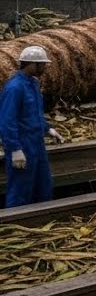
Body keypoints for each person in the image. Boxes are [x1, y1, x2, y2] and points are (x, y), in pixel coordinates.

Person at [0, 46, 65, 208]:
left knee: (43, 185)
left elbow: (34, 113)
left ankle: (41, 218)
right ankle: (16, 222)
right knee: (21, 187)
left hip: (37, 143)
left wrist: (48, 129)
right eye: (42, 64)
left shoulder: (33, 84)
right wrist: (14, 149)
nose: (44, 68)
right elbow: (7, 121)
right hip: (22, 144)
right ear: (31, 64)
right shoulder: (14, 88)